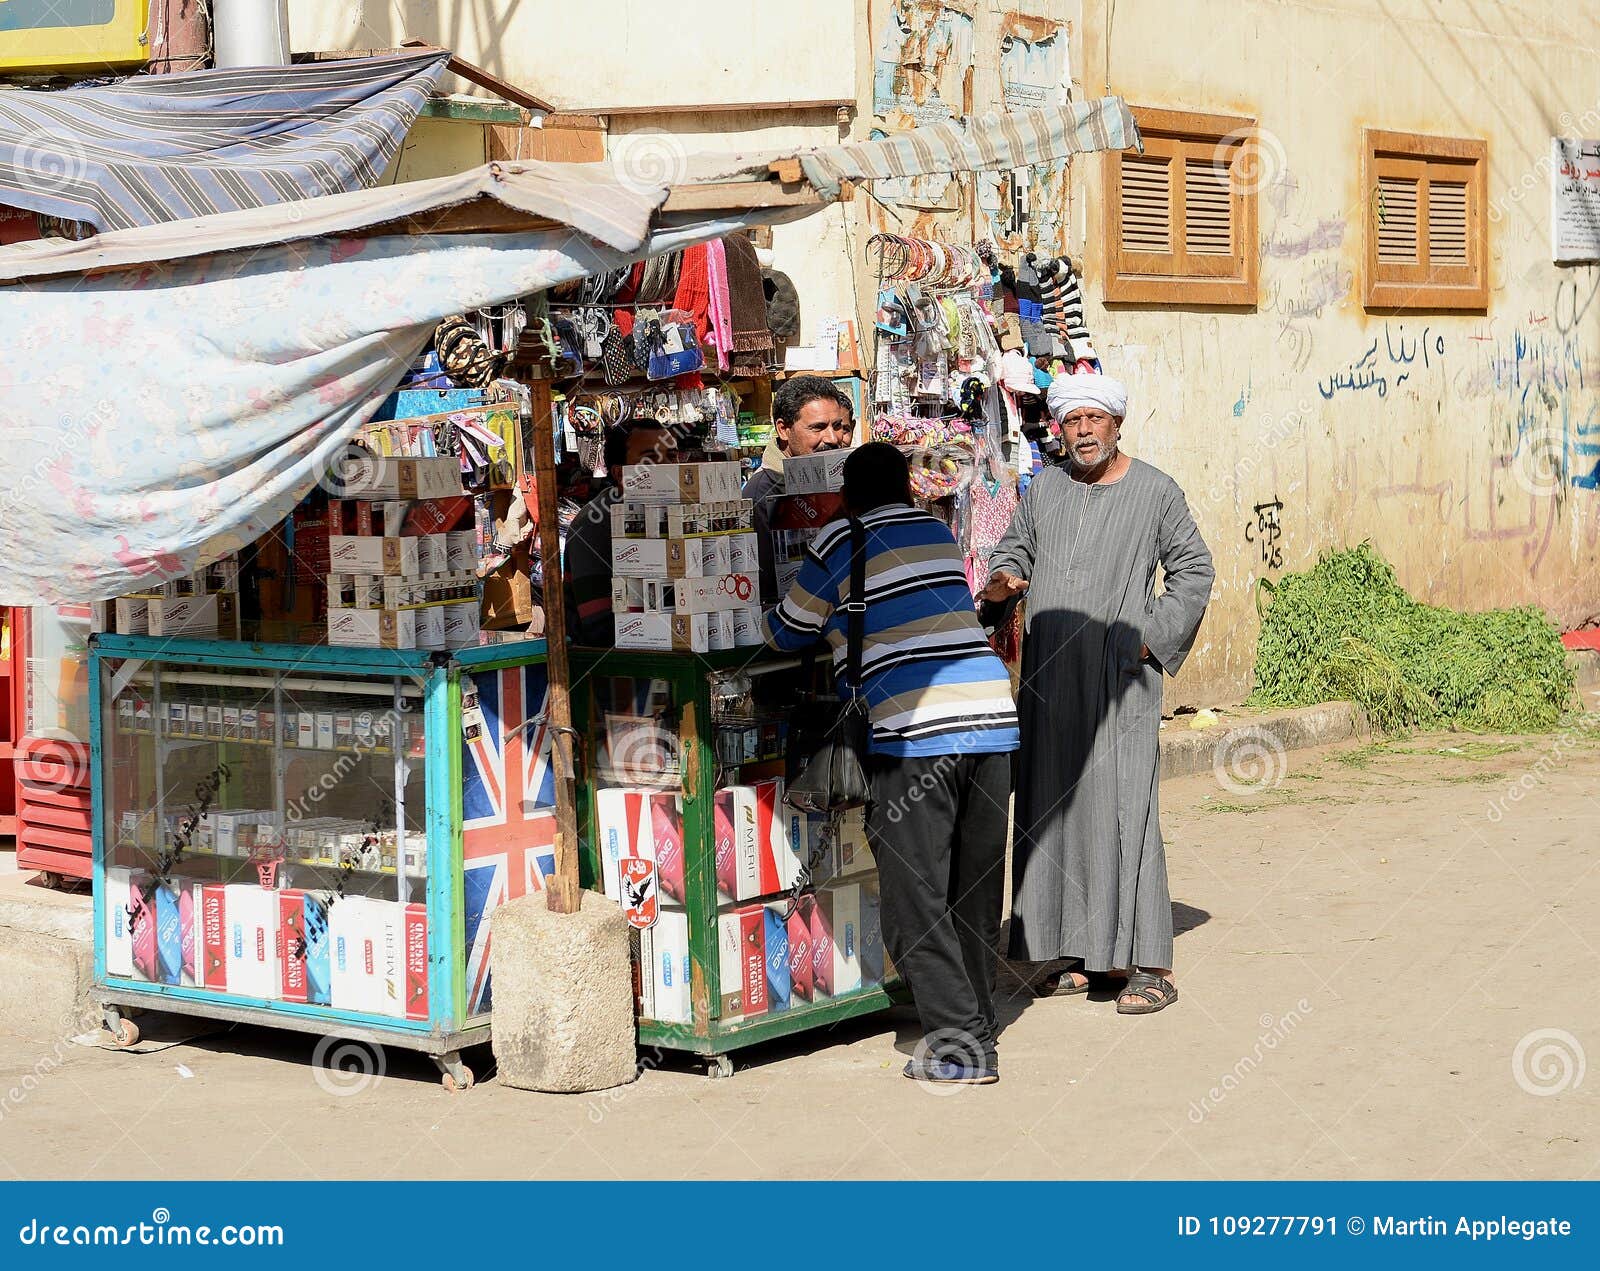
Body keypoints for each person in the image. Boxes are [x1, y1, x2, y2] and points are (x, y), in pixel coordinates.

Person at [766, 443, 1019, 1084]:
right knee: (973, 892)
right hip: (992, 724)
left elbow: (787, 630)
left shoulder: (839, 538)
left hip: (915, 733)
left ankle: (961, 1048)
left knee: (915, 898)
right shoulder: (935, 532)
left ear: (847, 495)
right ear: (907, 487)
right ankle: (976, 1024)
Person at [980, 373, 1213, 1015]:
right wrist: (1003, 579)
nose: (1083, 431)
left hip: (1119, 680)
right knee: (1051, 807)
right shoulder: (1046, 488)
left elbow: (1194, 571)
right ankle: (1072, 954)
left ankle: (1151, 965)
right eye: (1072, 421)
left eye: (1094, 419)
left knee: (1124, 808)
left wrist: (1148, 638)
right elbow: (1015, 550)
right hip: (1047, 682)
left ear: (1116, 423)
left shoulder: (1156, 491)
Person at [744, 374, 854, 604]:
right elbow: (765, 586)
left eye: (837, 426)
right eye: (818, 428)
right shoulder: (760, 493)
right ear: (783, 429)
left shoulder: (845, 481)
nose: (832, 438)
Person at [564, 417, 674, 645]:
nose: (666, 467)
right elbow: (599, 627)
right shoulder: (593, 525)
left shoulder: (675, 514)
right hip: (613, 657)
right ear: (619, 473)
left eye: (671, 457)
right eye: (649, 459)